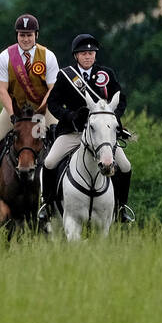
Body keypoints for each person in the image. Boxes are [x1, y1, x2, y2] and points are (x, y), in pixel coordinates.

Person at [42, 33, 131, 226]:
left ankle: (121, 207)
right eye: (83, 53)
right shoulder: (65, 75)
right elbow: (53, 102)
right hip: (73, 133)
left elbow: (120, 99)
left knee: (125, 166)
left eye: (91, 53)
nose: (88, 56)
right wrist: (69, 116)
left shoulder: (106, 75)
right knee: (49, 162)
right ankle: (47, 205)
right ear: (76, 56)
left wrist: (112, 118)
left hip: (101, 136)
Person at [0, 13, 59, 203]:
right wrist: (13, 115)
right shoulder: (6, 56)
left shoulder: (48, 56)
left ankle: (60, 191)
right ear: (17, 35)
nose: (25, 39)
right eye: (22, 34)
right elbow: (1, 90)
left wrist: (42, 111)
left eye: (29, 35)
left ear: (36, 35)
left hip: (42, 109)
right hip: (15, 108)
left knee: (62, 139)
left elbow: (53, 89)